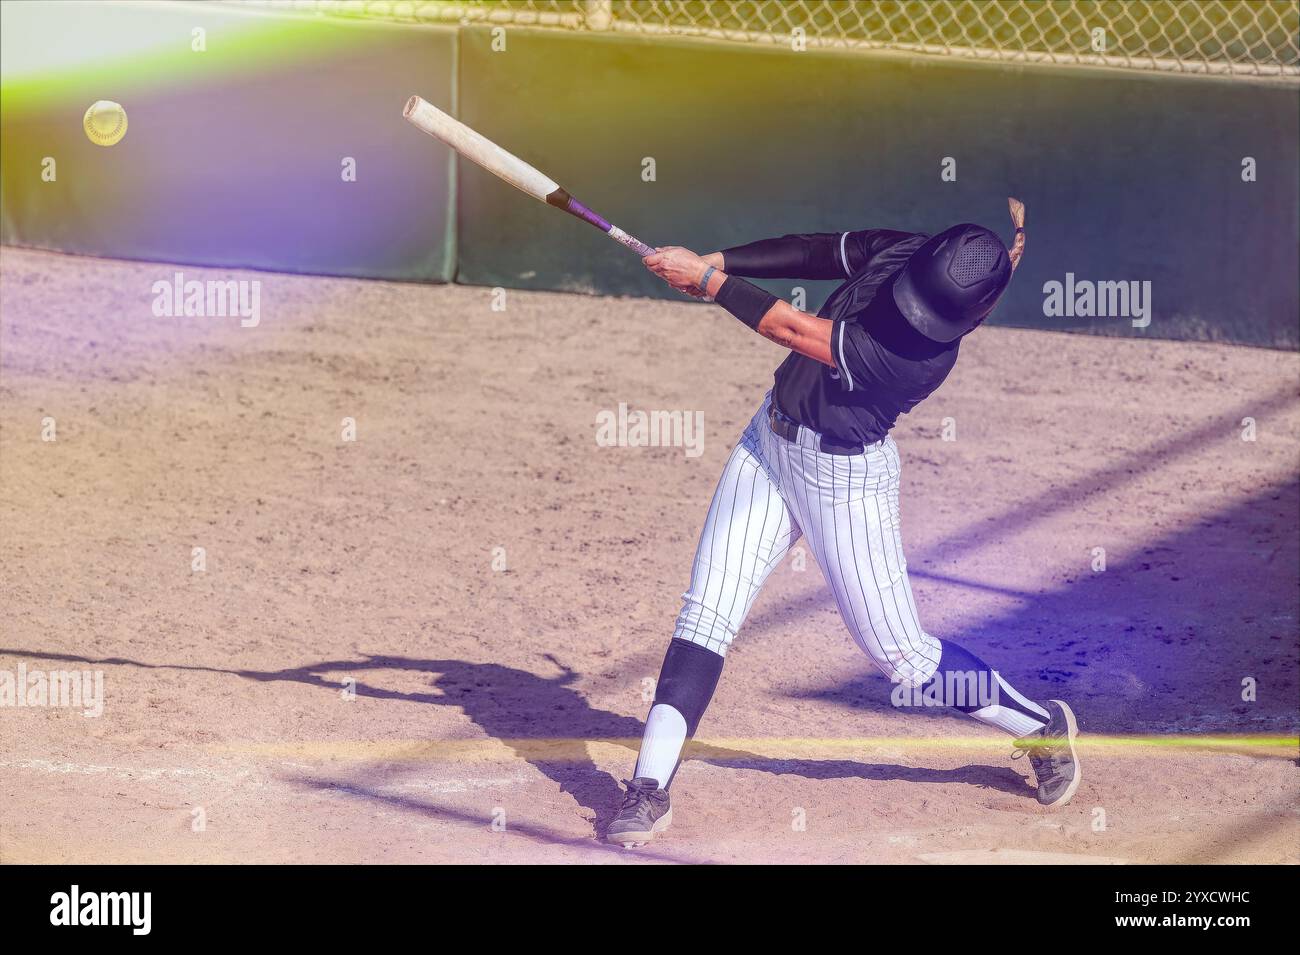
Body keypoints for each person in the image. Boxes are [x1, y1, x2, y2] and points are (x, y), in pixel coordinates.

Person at [606, 199, 1081, 848]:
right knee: (706, 613)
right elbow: (817, 251)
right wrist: (717, 259)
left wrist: (709, 283)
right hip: (768, 444)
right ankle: (649, 787)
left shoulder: (922, 357)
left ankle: (1039, 725)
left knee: (906, 660)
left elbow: (796, 332)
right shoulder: (906, 250)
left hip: (844, 483)